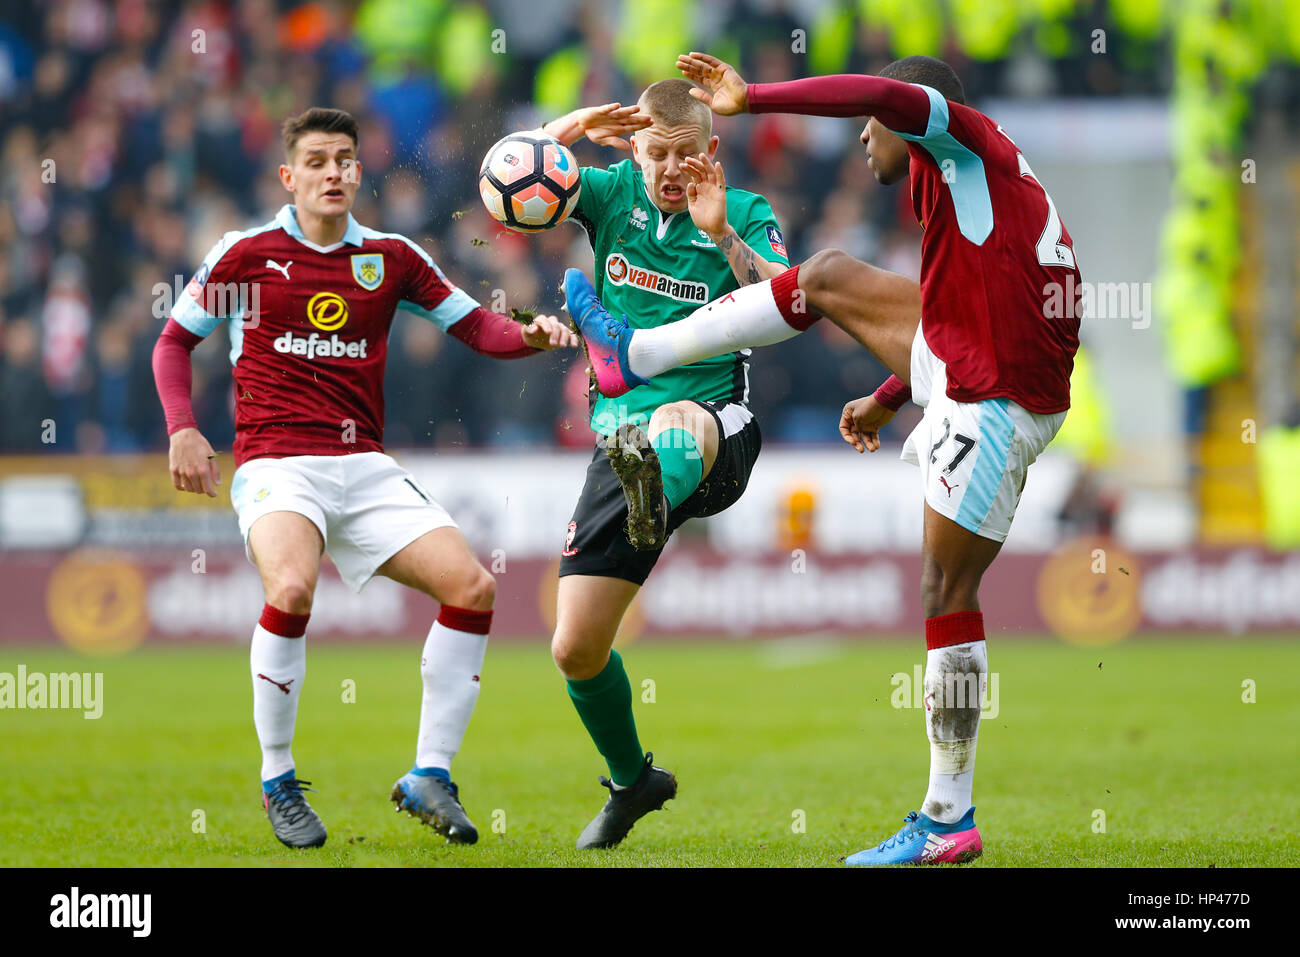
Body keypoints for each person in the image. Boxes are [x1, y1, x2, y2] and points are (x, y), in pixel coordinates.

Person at [570, 54, 1083, 865]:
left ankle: (948, 818)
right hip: (980, 373)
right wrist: (890, 393)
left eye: (867, 130)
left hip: (996, 399)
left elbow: (883, 93)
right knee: (833, 274)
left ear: (905, 122)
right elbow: (964, 308)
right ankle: (635, 356)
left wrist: (755, 98)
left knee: (946, 591)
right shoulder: (969, 181)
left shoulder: (959, 142)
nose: (862, 141)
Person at [152, 107, 577, 850]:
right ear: (289, 177)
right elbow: (173, 342)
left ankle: (428, 774)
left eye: (344, 159)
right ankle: (279, 778)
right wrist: (183, 427)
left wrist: (531, 333)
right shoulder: (245, 253)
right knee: (290, 588)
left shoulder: (391, 257)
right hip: (276, 462)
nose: (333, 173)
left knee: (472, 587)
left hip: (364, 466)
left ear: (358, 169)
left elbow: (477, 326)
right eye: (316, 161)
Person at [538, 80, 791, 848]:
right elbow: (511, 186)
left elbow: (788, 305)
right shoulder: (611, 192)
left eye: (688, 154)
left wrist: (721, 236)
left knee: (675, 421)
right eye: (657, 154)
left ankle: (630, 369)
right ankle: (630, 780)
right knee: (575, 646)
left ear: (711, 153)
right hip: (622, 444)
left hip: (718, 431)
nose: (672, 169)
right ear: (631, 149)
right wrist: (566, 128)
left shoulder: (742, 212)